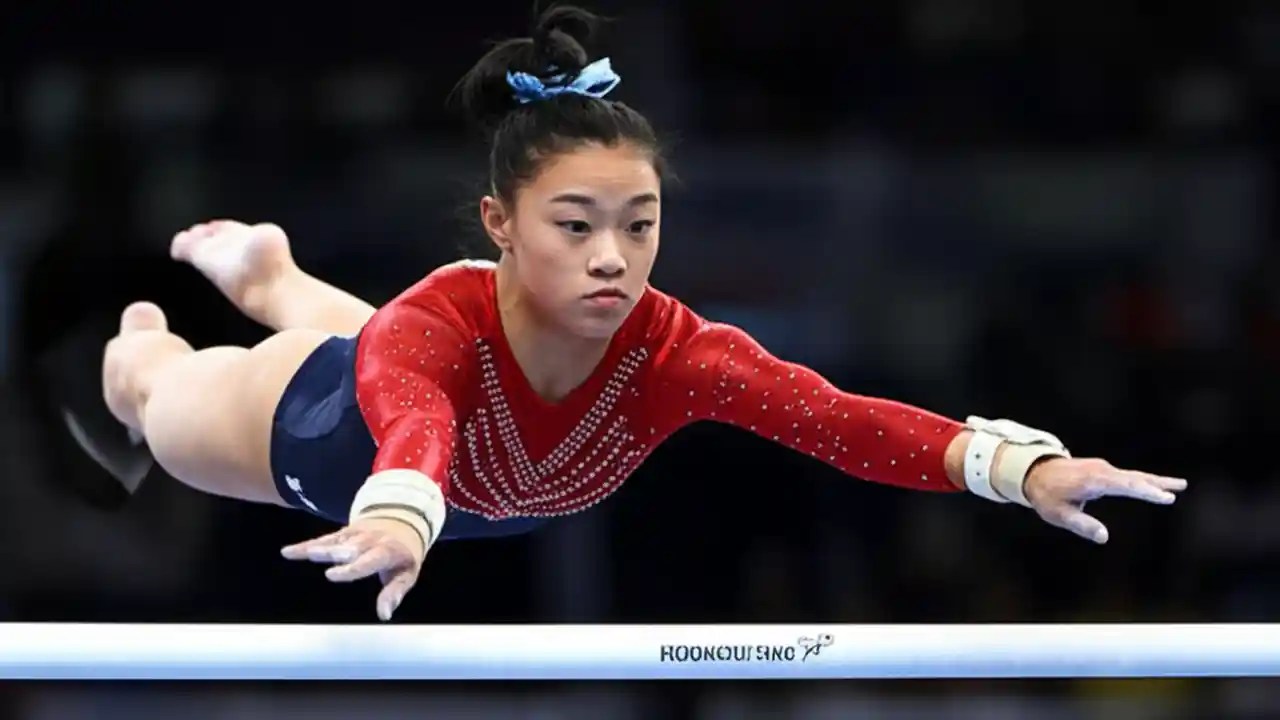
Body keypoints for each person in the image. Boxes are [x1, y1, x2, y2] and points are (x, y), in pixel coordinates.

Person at [63, 6, 1186, 622]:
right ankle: (170, 333)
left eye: (637, 223)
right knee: (160, 402)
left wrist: (1017, 469)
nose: (614, 259)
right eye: (575, 226)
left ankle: (271, 278)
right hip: (325, 440)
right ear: (499, 223)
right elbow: (410, 421)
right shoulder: (435, 322)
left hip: (462, 466)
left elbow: (839, 420)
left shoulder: (674, 351)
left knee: (369, 334)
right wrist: (402, 520)